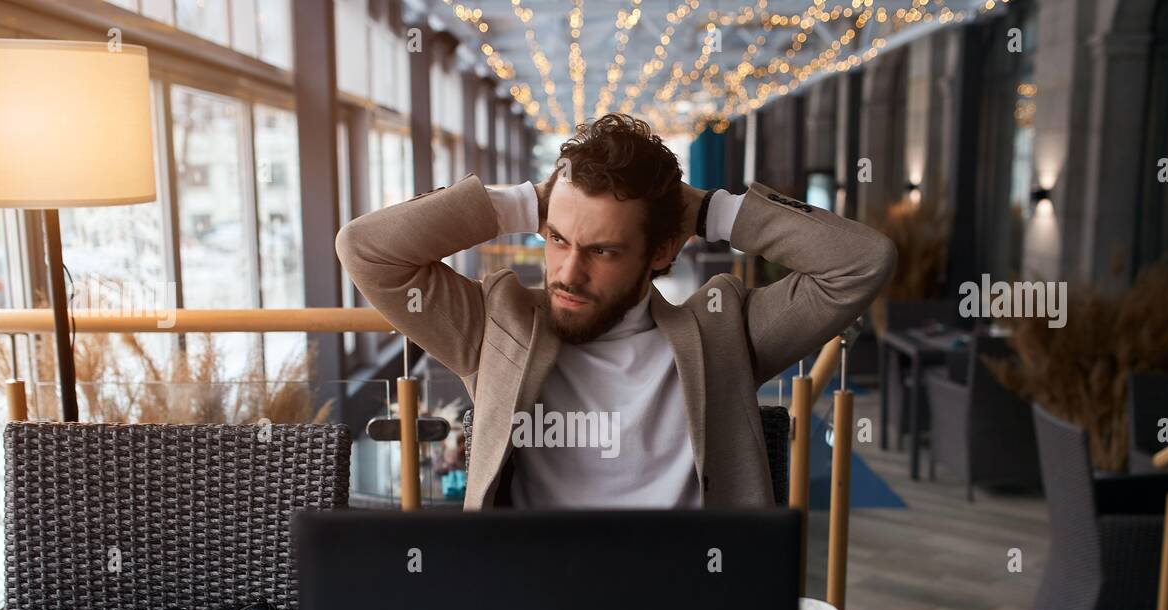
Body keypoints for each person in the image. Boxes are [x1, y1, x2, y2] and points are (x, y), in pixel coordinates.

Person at [336, 113, 896, 509]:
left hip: (686, 608)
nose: (568, 273)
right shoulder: (496, 323)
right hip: (533, 603)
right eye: (557, 239)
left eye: (601, 250)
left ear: (662, 251)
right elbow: (366, 249)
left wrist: (708, 210)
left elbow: (862, 261)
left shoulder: (723, 334)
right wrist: (528, 200)